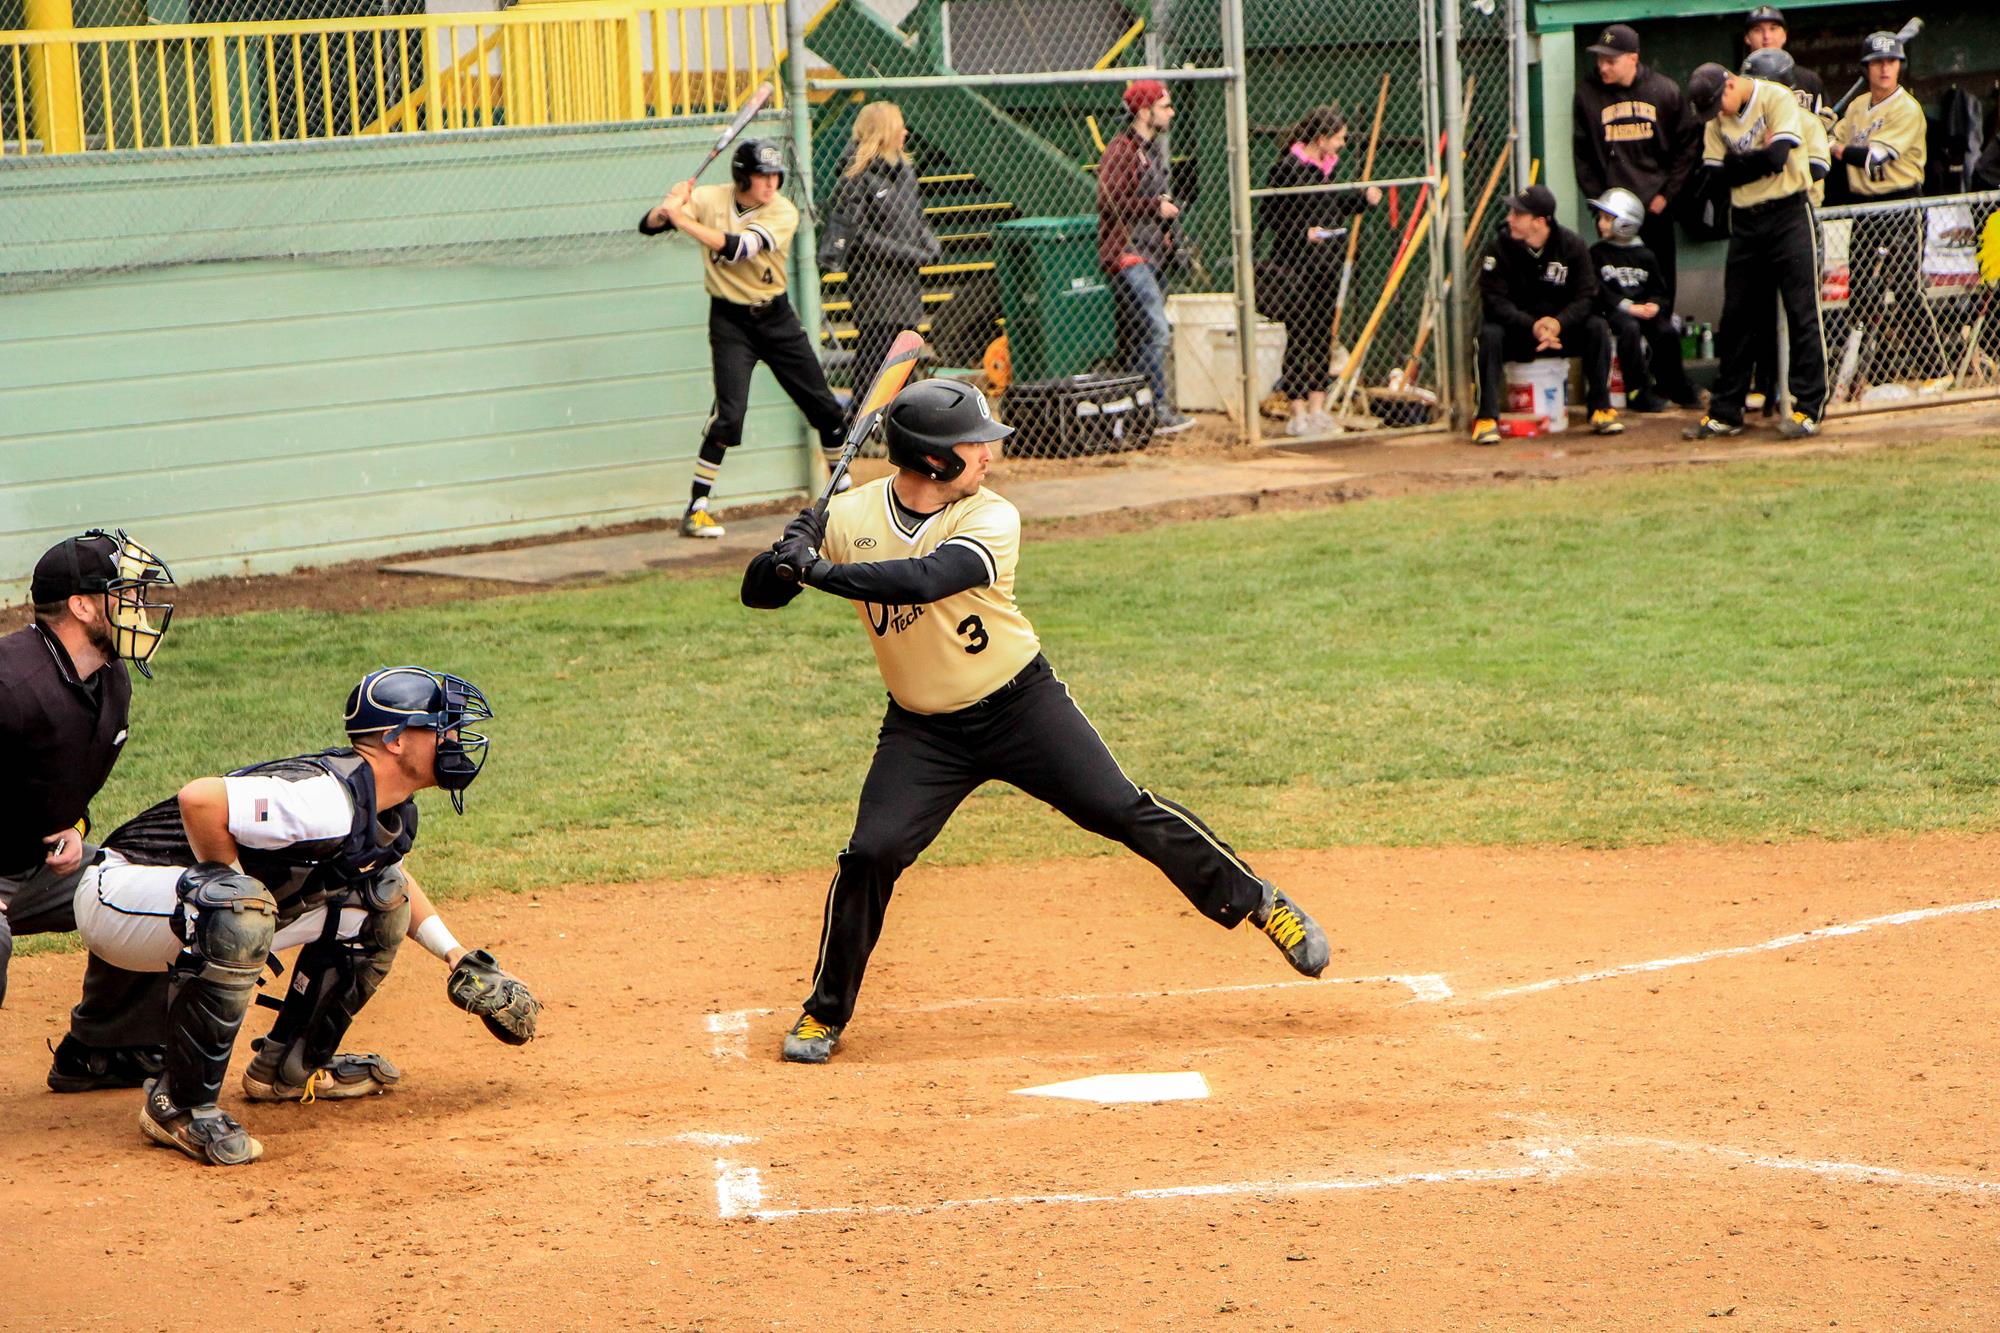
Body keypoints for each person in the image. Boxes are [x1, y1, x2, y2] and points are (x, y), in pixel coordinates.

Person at [740, 379, 1329, 1064]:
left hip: (1021, 706)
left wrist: (817, 571)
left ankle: (1260, 900)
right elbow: (758, 595)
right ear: (935, 460)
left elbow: (924, 578)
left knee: (1123, 808)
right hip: (923, 730)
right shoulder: (851, 514)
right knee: (870, 851)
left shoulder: (991, 517)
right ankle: (824, 1012)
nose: (989, 455)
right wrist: (786, 556)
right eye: (975, 444)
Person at [70, 666, 538, 1166]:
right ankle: (178, 1105)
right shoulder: (324, 800)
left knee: (379, 899)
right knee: (240, 909)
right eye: (441, 726)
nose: (454, 738)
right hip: (119, 893)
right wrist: (234, 894)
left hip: (187, 907)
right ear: (397, 740)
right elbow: (200, 799)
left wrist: (457, 955)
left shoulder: (384, 805)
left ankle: (287, 1068)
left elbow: (392, 876)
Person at [0, 530, 178, 1094]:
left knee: (155, 891)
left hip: (35, 869)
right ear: (81, 605)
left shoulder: (110, 680)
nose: (141, 609)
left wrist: (75, 830)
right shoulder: (9, 683)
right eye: (126, 595)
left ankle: (106, 1047)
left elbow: (63, 789)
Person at [642, 139, 848, 539]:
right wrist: (668, 204)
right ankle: (696, 509)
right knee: (729, 416)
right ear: (742, 177)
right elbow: (648, 226)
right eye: (761, 176)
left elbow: (739, 248)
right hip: (730, 321)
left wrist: (680, 219)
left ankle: (843, 499)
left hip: (776, 319)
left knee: (826, 410)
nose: (770, 183)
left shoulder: (782, 211)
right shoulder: (709, 199)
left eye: (774, 176)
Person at [1682, 62, 1827, 440]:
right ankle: (1726, 412)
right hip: (1745, 222)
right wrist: (1752, 162)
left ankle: (1808, 409)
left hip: (1789, 214)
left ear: (1730, 85)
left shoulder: (1775, 97)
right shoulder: (1715, 123)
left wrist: (1739, 165)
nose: (1716, 115)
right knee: (1737, 317)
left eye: (1717, 104)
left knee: (1801, 312)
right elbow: (1714, 178)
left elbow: (1779, 158)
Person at [1259, 104, 1383, 435]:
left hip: (1326, 265)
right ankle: (1296, 411)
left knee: (1321, 336)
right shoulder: (1287, 169)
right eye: (1339, 138)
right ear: (1322, 138)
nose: (1343, 144)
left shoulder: (1326, 169)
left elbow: (1332, 205)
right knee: (1299, 335)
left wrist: (1362, 200)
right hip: (1296, 266)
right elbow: (1271, 214)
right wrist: (1302, 233)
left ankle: (1317, 408)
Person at [1470, 184, 1623, 446]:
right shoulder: (1499, 248)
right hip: (1520, 332)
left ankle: (1600, 409)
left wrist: (1558, 323)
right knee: (1489, 334)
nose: (1510, 219)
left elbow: (1587, 295)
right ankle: (1486, 419)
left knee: (1597, 327)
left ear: (1539, 222)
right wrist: (1532, 325)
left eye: (1518, 215)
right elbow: (1493, 301)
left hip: (1561, 332)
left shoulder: (1571, 245)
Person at [823, 102, 940, 422]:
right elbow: (858, 236)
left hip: (904, 282)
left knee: (905, 348)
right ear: (884, 131)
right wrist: (911, 254)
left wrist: (930, 244)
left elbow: (916, 219)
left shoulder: (904, 170)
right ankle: (864, 421)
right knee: (876, 350)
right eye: (899, 126)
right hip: (874, 283)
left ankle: (898, 419)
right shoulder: (856, 175)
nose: (905, 132)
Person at [1571, 23, 1698, 305]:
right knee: (1613, 284)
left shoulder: (1664, 91)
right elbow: (1582, 156)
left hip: (1654, 205)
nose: (1602, 67)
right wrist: (1599, 206)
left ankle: (1661, 341)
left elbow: (1687, 148)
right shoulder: (1587, 95)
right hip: (1611, 210)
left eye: (1610, 60)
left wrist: (1667, 195)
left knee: (1660, 284)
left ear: (1633, 58)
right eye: (1599, 59)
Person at [1831, 32, 1931, 388]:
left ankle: (1933, 369)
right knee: (1860, 292)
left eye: (1891, 62)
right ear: (1867, 68)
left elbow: (1875, 156)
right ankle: (1868, 374)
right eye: (1877, 62)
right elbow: (1832, 135)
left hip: (1901, 200)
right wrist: (1826, 124)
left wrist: (1838, 148)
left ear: (1900, 66)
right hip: (1865, 206)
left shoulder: (1907, 108)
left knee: (1904, 288)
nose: (1885, 68)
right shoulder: (1857, 107)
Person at [1099, 79, 1195, 435]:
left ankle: (1140, 411)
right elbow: (1108, 201)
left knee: (1143, 335)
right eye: (1165, 106)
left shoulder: (1151, 150)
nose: (1171, 112)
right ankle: (1156, 408)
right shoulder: (1123, 150)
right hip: (1129, 254)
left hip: (1152, 254)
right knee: (1156, 330)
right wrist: (1155, 206)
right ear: (1145, 111)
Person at [1741, 46, 1831, 416]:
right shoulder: (1742, 124)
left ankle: (1806, 400)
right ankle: (1765, 387)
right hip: (1755, 222)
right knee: (1758, 312)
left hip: (1799, 217)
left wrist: (1779, 154)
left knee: (1800, 312)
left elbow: (1819, 167)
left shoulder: (1804, 121)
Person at [1589, 188, 1700, 412]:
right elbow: (1597, 291)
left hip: (1642, 310)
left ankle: (1676, 386)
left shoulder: (1645, 255)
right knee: (1629, 329)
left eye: (1608, 218)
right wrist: (1629, 307)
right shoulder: (1597, 253)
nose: (1601, 223)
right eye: (1601, 218)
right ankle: (1637, 390)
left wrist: (1654, 305)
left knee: (1665, 331)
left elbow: (1660, 290)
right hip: (1614, 311)